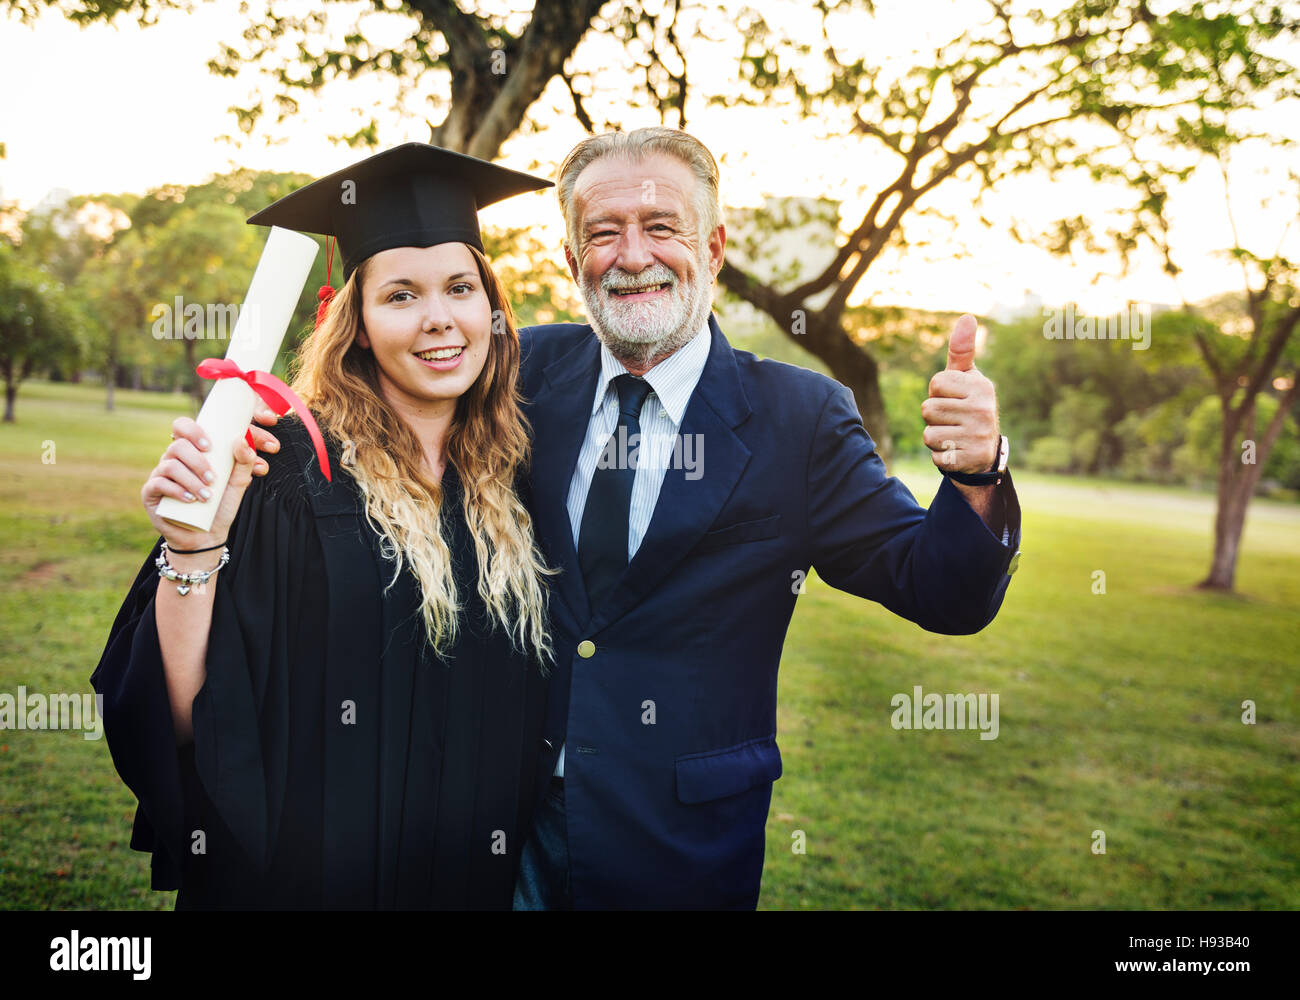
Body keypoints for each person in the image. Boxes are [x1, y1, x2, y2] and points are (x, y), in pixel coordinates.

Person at [506, 126, 1025, 909]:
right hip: (500, 832)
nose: (632, 255)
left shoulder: (800, 417)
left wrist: (978, 471)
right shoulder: (516, 372)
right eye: (602, 233)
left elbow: (942, 591)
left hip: (679, 847)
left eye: (660, 228)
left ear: (712, 248)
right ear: (570, 258)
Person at [91, 143, 558, 910]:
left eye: (460, 288)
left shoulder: (514, 489)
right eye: (400, 295)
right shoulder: (280, 475)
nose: (439, 318)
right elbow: (176, 720)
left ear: (493, 310)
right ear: (358, 324)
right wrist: (192, 545)